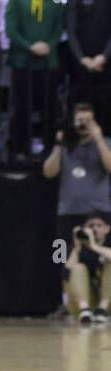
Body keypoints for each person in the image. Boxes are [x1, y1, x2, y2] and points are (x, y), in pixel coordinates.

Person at [42, 103, 111, 274]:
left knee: (101, 257)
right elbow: (48, 173)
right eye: (80, 120)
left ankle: (102, 297)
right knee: (61, 256)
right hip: (67, 213)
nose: (83, 124)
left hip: (99, 212)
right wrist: (59, 144)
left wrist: (99, 138)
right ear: (72, 122)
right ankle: (66, 296)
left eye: (88, 120)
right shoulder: (65, 145)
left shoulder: (105, 142)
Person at [4, 0, 62, 158]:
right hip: (22, 61)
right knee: (21, 107)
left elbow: (60, 25)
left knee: (49, 108)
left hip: (48, 61)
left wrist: (49, 45)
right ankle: (20, 149)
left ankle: (49, 149)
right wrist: (30, 46)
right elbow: (10, 28)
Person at [65, 0, 111, 122]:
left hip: (106, 65)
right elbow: (70, 30)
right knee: (80, 104)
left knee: (106, 107)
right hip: (80, 65)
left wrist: (103, 57)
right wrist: (82, 58)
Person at [63, 214, 111, 324]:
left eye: (99, 225)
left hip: (107, 304)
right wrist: (77, 247)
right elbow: (66, 273)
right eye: (91, 226)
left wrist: (94, 246)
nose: (95, 229)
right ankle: (85, 309)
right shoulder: (77, 246)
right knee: (78, 267)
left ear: (107, 229)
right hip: (82, 304)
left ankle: (102, 309)